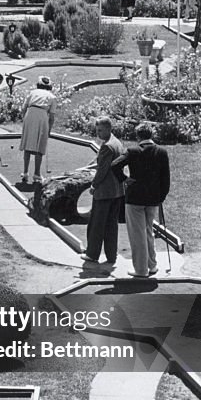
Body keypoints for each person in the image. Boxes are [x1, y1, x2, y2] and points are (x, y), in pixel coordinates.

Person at [112, 123, 171, 279]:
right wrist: (161, 197)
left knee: (137, 234)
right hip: (153, 199)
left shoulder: (132, 151)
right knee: (148, 231)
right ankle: (152, 265)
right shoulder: (162, 152)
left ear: (138, 136)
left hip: (135, 199)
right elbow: (166, 179)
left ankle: (140, 270)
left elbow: (115, 165)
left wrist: (124, 179)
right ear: (151, 135)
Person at [82, 116, 125, 271]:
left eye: (100, 130)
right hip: (117, 192)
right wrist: (90, 165)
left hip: (105, 192)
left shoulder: (107, 146)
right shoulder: (116, 142)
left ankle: (92, 254)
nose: (98, 133)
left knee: (96, 224)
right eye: (97, 130)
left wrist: (94, 185)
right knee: (111, 225)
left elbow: (103, 170)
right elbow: (102, 161)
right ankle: (111, 255)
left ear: (108, 128)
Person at [18, 76, 58, 184]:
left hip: (30, 114)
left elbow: (23, 108)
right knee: (40, 145)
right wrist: (48, 131)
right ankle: (36, 174)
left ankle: (25, 173)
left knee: (27, 144)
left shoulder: (33, 92)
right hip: (42, 116)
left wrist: (25, 120)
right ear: (49, 86)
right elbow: (52, 117)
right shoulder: (52, 97)